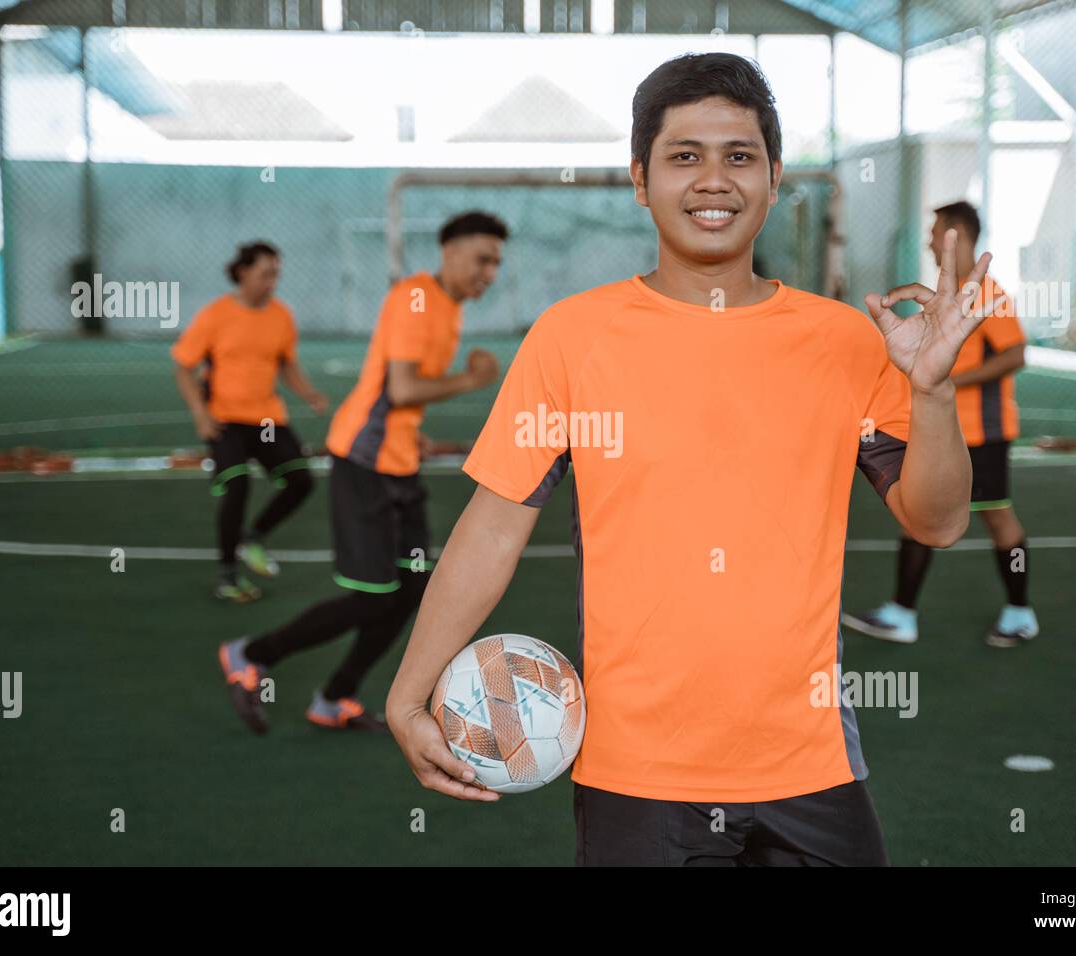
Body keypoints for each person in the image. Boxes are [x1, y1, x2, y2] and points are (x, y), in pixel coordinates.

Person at [384, 53, 994, 866]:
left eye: (740, 156)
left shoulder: (848, 340)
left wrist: (932, 393)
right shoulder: (573, 337)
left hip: (810, 762)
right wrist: (406, 691)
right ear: (641, 180)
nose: (715, 179)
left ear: (775, 179)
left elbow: (940, 520)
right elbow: (494, 528)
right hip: (635, 773)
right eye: (685, 156)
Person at [217, 212, 505, 733]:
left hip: (398, 463)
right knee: (373, 593)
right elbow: (399, 389)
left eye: (497, 264)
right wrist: (473, 379)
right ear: (449, 251)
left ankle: (335, 696)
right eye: (483, 259)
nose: (490, 273)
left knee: (414, 586)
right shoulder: (415, 299)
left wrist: (412, 432)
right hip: (364, 461)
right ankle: (251, 654)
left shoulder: (450, 308)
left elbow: (400, 399)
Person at [842, 201, 1037, 648]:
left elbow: (1015, 355)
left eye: (935, 231)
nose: (929, 240)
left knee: (997, 519)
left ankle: (1020, 611)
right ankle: (902, 612)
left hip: (980, 432)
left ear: (957, 235)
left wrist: (948, 377)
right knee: (918, 512)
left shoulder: (988, 294)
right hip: (942, 431)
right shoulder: (946, 294)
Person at [171, 242, 327, 603]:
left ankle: (253, 537)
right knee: (237, 486)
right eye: (265, 274)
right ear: (242, 273)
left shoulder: (281, 316)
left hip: (268, 419)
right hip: (224, 420)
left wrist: (308, 393)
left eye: (276, 274)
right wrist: (200, 412)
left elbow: (286, 364)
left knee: (301, 481)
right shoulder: (215, 315)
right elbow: (183, 366)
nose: (272, 282)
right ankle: (227, 575)